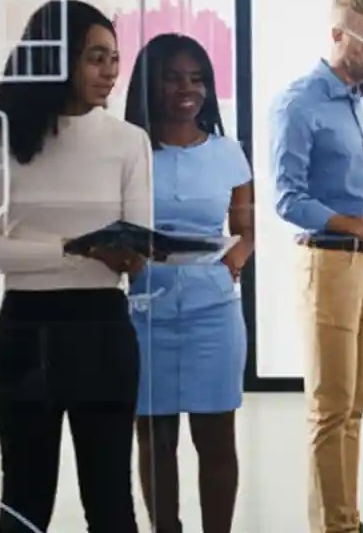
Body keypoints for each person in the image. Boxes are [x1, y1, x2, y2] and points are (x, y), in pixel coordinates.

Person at [0, 0, 153, 532]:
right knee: (26, 499)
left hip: (101, 328)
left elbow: (137, 250)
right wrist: (73, 249)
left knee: (110, 500)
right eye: (95, 57)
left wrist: (131, 256)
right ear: (57, 59)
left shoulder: (128, 141)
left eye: (114, 58)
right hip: (25, 333)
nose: (110, 72)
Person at [270, 0, 363, 533]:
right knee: (329, 406)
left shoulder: (362, 106)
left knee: (357, 403)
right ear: (337, 35)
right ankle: (336, 527)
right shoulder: (299, 102)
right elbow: (285, 196)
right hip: (329, 264)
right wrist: (348, 223)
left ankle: (343, 519)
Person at [123, 33, 255, 533]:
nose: (187, 88)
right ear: (149, 84)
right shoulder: (129, 149)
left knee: (216, 437)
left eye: (197, 79)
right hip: (145, 310)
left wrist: (232, 261)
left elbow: (245, 228)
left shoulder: (227, 151)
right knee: (155, 439)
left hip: (212, 311)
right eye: (174, 77)